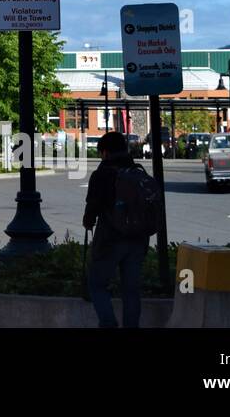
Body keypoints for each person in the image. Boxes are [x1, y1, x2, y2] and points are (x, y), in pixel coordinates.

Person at [83, 130, 154, 328]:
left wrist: (88, 222)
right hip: (139, 239)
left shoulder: (102, 174)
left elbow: (91, 211)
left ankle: (108, 324)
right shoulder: (138, 172)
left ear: (105, 152)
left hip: (111, 239)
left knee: (97, 284)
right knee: (131, 290)